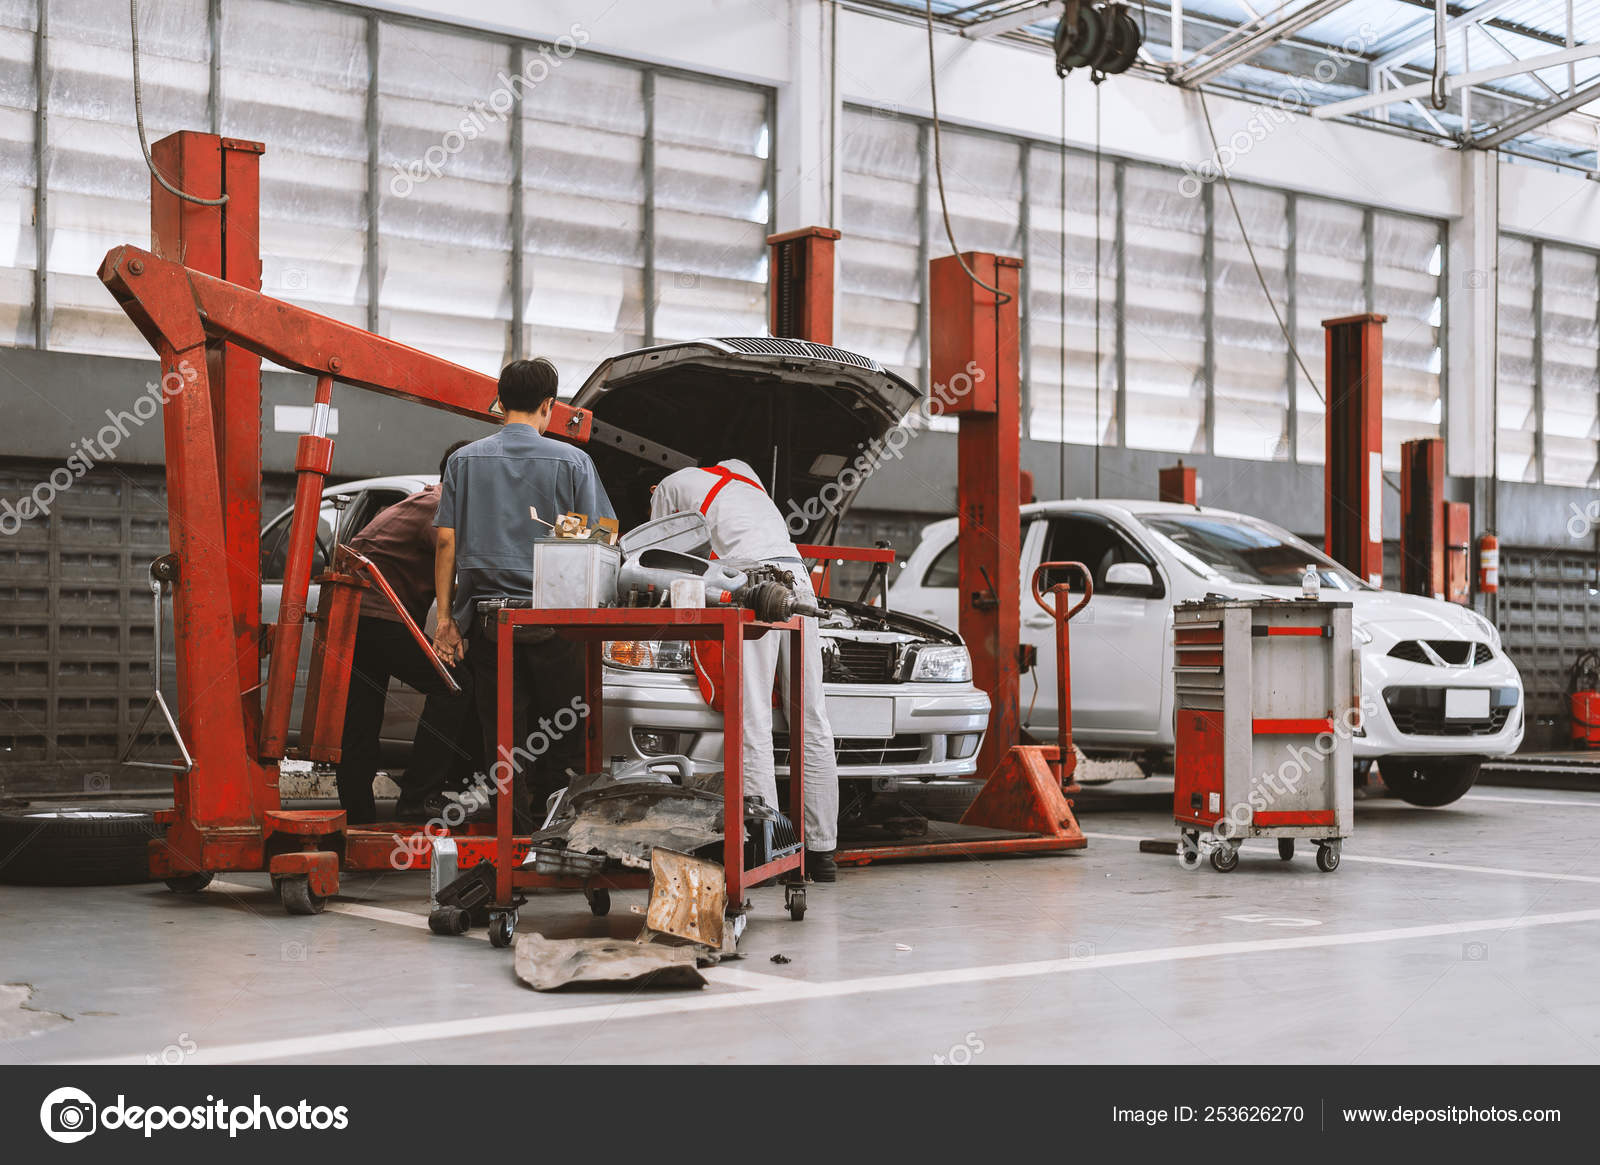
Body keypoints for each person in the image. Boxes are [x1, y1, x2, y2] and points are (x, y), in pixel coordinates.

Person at [431, 358, 615, 832]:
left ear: (500, 400)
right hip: (558, 624)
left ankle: (509, 846)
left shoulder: (462, 460)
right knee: (566, 736)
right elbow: (601, 540)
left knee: (504, 743)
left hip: (493, 625)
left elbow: (447, 541)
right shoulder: (574, 461)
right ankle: (562, 839)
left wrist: (446, 620)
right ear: (549, 406)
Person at [650, 457, 840, 881]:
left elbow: (661, 559)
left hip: (754, 586)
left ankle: (766, 852)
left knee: (751, 719)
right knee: (811, 720)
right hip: (798, 578)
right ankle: (822, 853)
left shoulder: (668, 487)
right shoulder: (742, 472)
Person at [336, 441, 480, 824]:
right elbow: (463, 567)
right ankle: (419, 797)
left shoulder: (423, 501)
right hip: (380, 616)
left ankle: (357, 815)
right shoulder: (440, 508)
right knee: (455, 686)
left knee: (362, 716)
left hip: (354, 616)